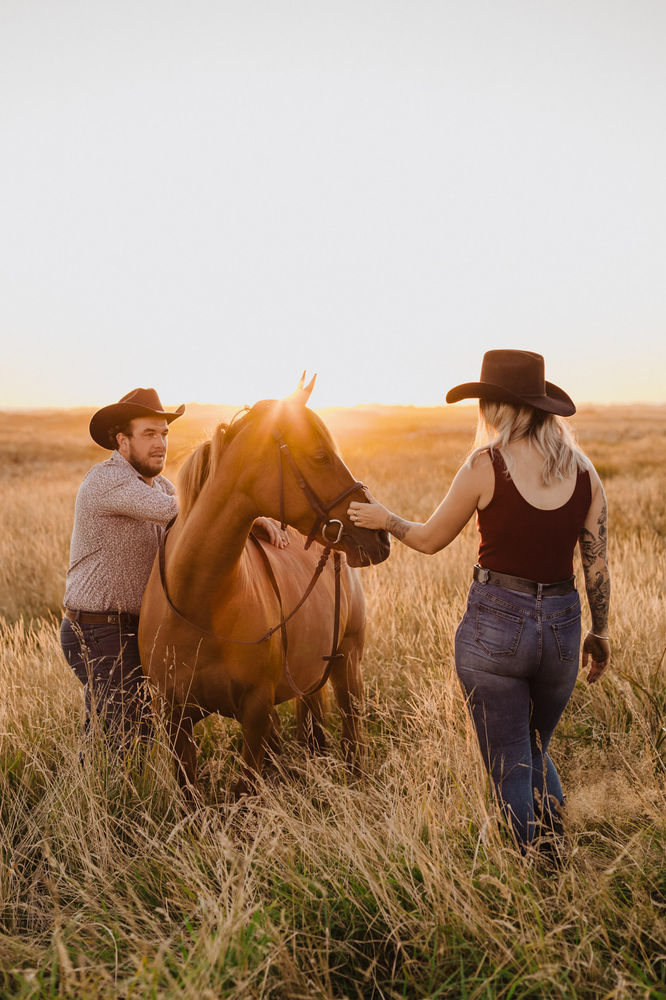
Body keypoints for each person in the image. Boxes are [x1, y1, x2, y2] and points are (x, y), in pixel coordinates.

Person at [348, 350, 610, 854]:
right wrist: (599, 632)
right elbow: (596, 565)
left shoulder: (484, 465)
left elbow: (428, 540)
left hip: (497, 624)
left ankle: (533, 871)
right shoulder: (584, 472)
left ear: (495, 407)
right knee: (535, 746)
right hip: (562, 626)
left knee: (511, 756)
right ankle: (555, 858)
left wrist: (386, 519)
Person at [60, 387, 288, 752]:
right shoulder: (105, 481)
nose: (160, 443)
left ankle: (90, 791)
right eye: (148, 434)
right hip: (100, 629)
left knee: (110, 734)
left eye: (164, 434)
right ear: (122, 441)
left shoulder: (163, 486)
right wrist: (251, 514)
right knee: (129, 740)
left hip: (134, 627)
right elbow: (190, 514)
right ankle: (110, 802)